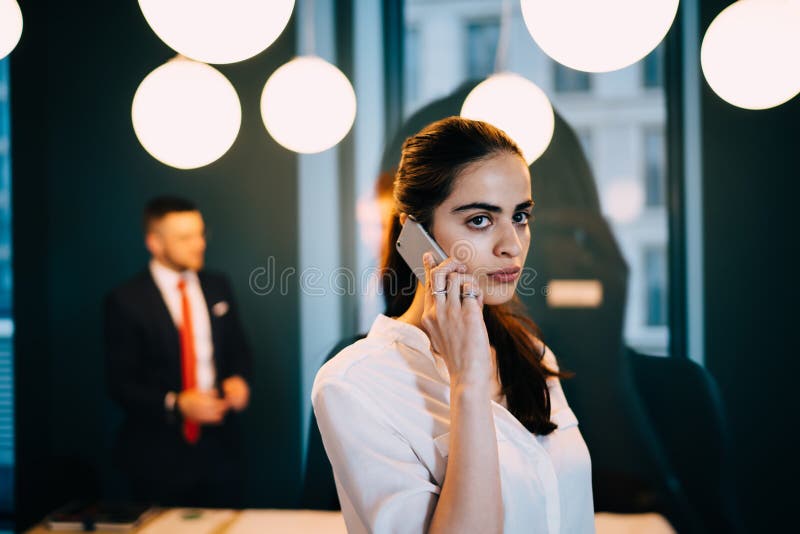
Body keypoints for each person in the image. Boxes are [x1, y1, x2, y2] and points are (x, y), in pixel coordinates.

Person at [312, 117, 594, 533]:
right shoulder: (352, 384)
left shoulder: (530, 353)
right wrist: (468, 383)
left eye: (520, 216)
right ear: (415, 233)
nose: (511, 245)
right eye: (480, 219)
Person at [105, 196, 253, 507]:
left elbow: (239, 349)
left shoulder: (218, 285)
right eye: (185, 238)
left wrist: (239, 380)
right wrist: (176, 404)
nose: (199, 244)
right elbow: (119, 383)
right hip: (157, 455)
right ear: (154, 243)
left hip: (221, 449)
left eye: (200, 234)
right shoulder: (126, 300)